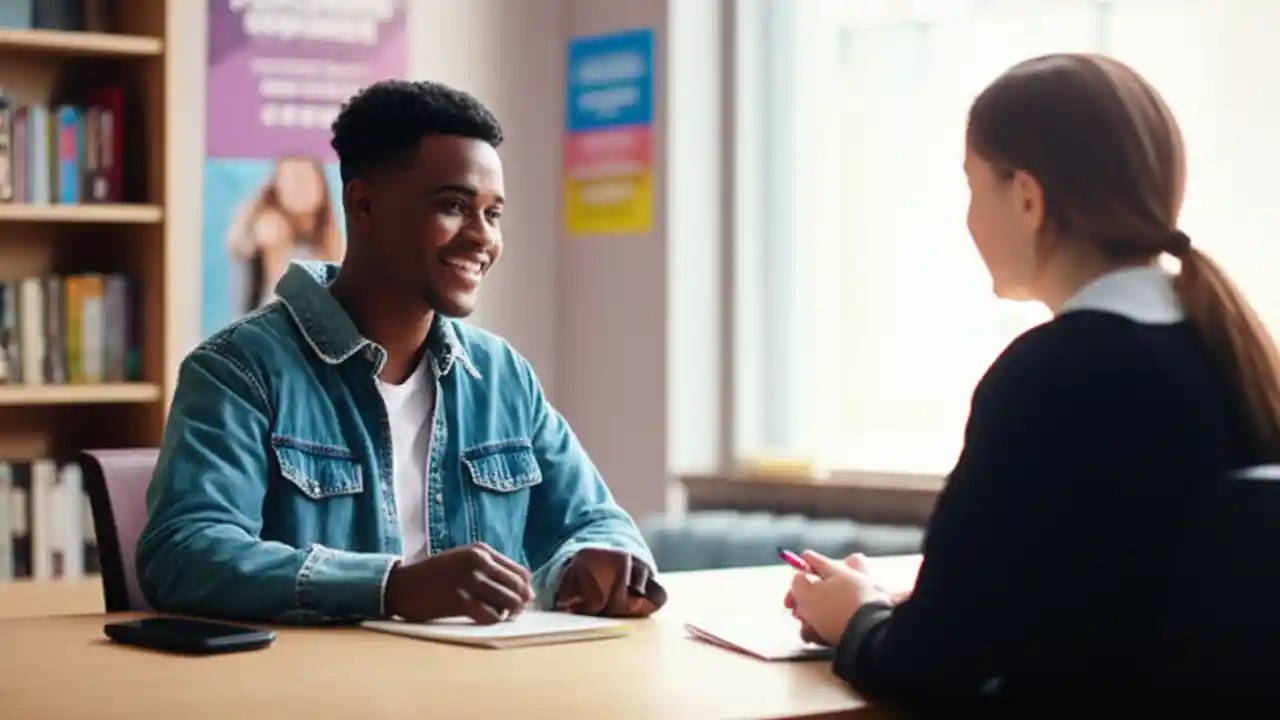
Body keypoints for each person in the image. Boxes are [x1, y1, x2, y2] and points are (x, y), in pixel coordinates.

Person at [787, 53, 1280, 706]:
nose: (966, 218)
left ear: (1026, 196)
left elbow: (925, 664)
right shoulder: (1231, 353)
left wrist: (855, 618)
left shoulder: (1051, 375)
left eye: (971, 187)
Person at [139, 80, 667, 625]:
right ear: (363, 206)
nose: (482, 237)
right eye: (455, 206)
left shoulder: (501, 376)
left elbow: (598, 523)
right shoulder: (239, 370)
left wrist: (595, 565)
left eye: (493, 214)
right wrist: (389, 588)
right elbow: (183, 553)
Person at [227, 154, 344, 313]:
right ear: (277, 188)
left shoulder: (331, 242)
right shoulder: (265, 232)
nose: (300, 186)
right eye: (292, 178)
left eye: (307, 176)